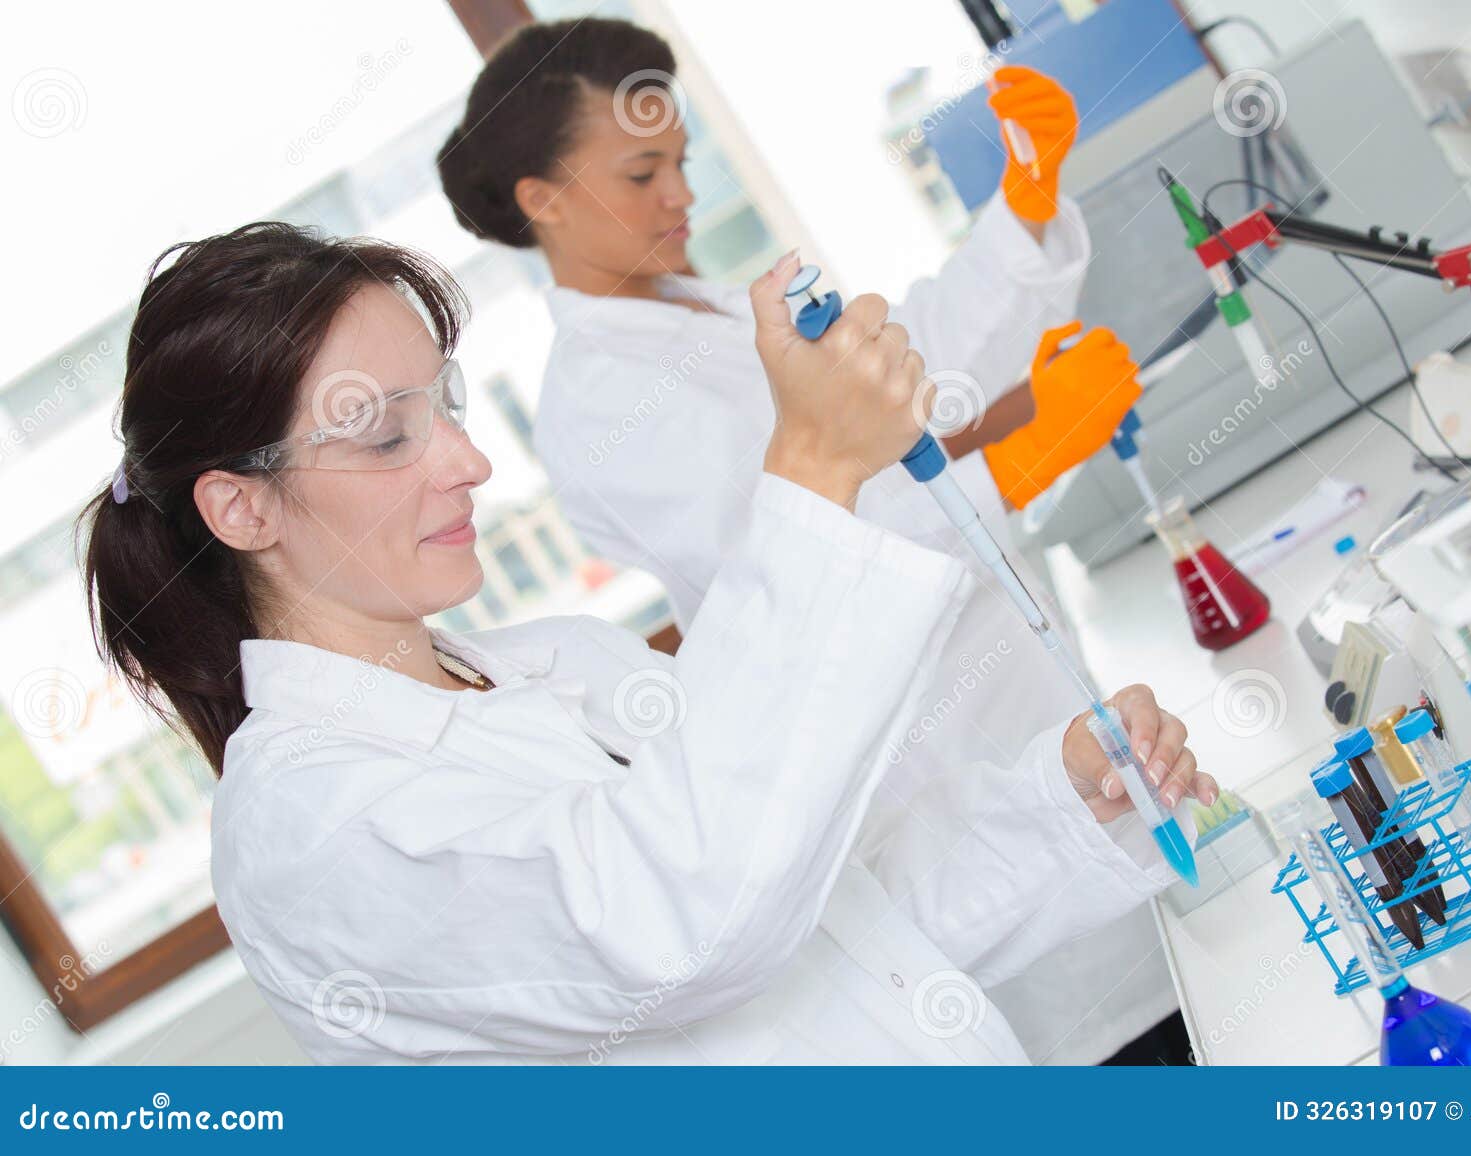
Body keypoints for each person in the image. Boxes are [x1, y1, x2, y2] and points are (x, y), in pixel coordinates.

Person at [79, 225, 1212, 1063]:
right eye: (384, 435)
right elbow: (676, 927)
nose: (468, 461)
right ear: (242, 508)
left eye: (446, 404)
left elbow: (841, 940)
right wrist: (814, 463)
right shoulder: (306, 832)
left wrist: (1058, 804)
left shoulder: (565, 661)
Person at [436, 18, 1176, 1063]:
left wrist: (1025, 204)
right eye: (642, 173)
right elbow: (801, 566)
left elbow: (908, 370)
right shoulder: (598, 403)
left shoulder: (703, 306)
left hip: (1033, 707)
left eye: (681, 160)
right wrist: (1016, 460)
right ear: (542, 199)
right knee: (1120, 1031)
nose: (681, 195)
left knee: (1176, 950)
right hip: (933, 761)